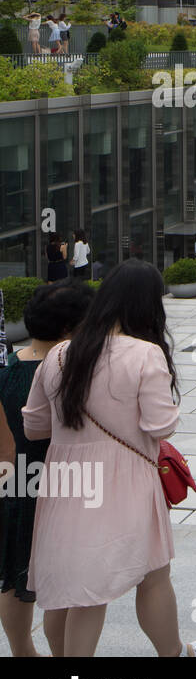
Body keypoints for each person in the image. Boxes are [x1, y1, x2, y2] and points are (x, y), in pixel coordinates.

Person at [20, 262, 196, 656]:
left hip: (66, 480)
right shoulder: (145, 354)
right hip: (125, 483)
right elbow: (160, 427)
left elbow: (34, 427)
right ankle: (173, 654)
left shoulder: (58, 355)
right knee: (153, 577)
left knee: (77, 588)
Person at [0, 281, 93, 657]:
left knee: (13, 579)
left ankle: (22, 651)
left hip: (16, 485)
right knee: (65, 586)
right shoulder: (68, 374)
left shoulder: (7, 371)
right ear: (69, 329)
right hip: (63, 488)